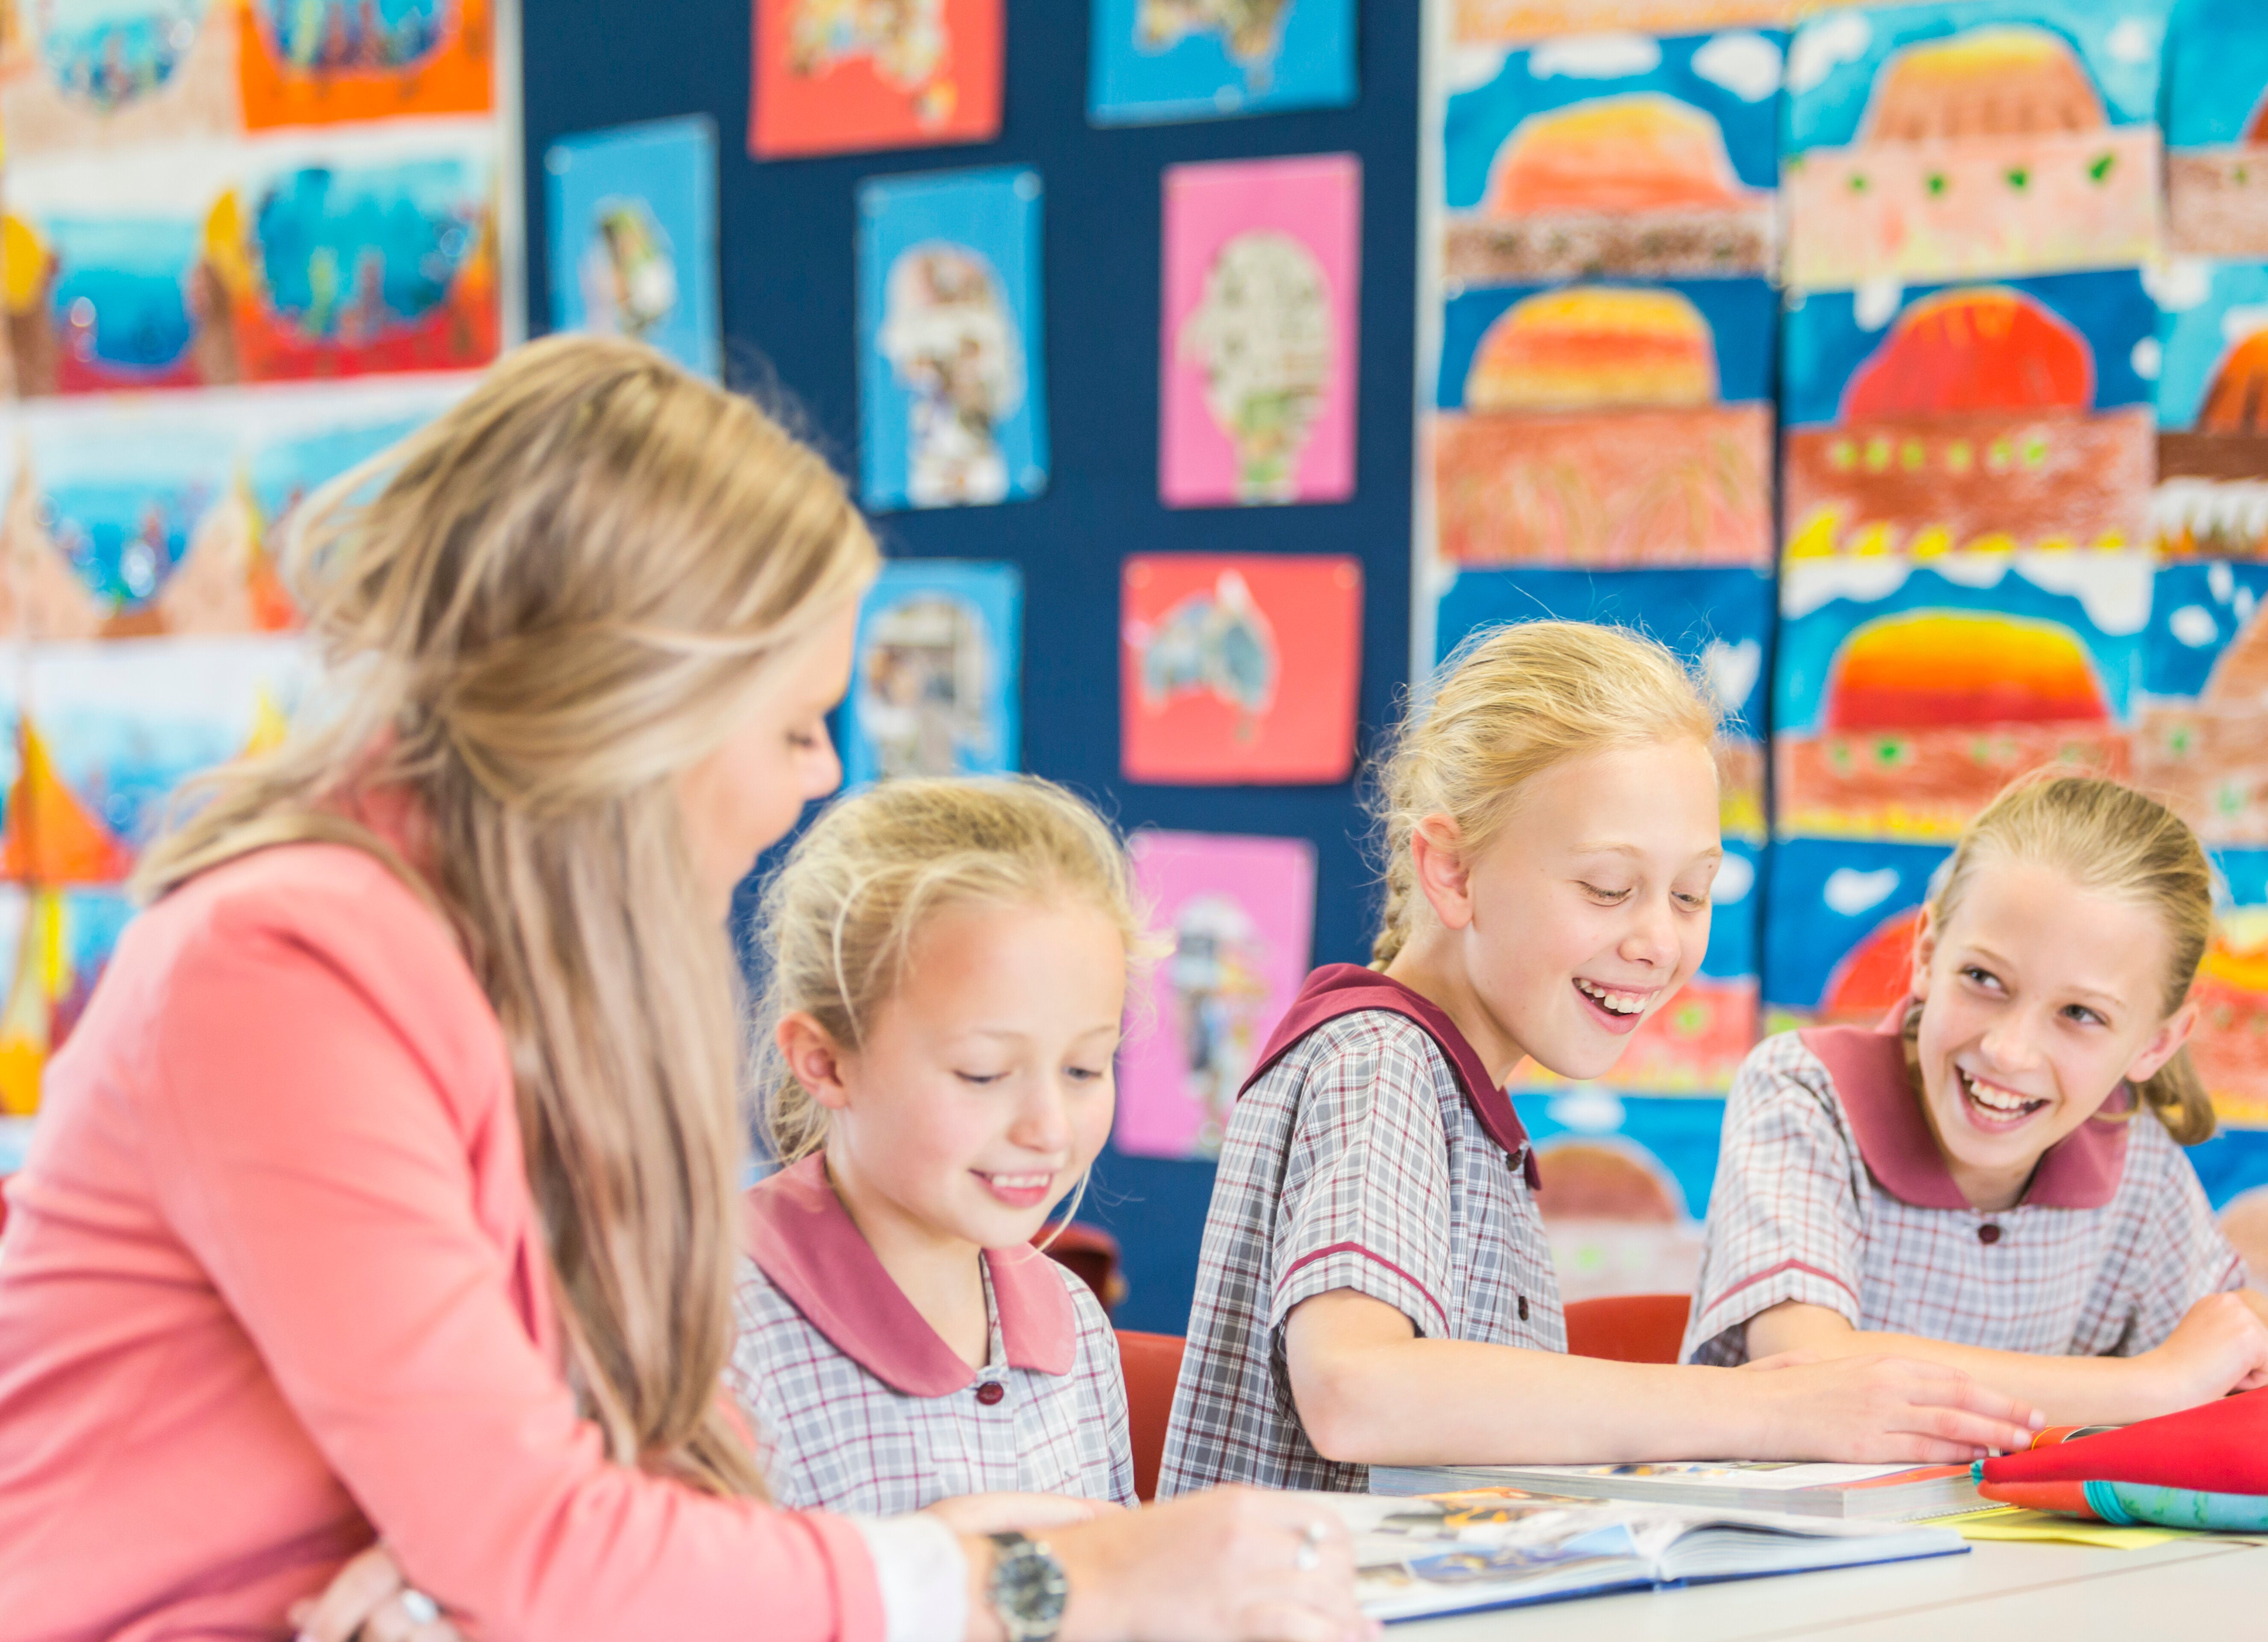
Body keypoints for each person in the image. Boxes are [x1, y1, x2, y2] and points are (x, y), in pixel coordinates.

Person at [0, 336, 1364, 1642]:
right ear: (630, 712)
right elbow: (540, 1548)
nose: (820, 772)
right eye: (789, 723)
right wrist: (1051, 1585)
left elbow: (549, 1516)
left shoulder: (498, 974)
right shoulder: (284, 973)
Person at [1158, 621, 2042, 1497]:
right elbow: (1356, 1390)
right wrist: (1767, 1410)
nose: (1659, 941)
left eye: (1692, 893)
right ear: (1455, 872)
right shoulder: (1381, 1061)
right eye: (1608, 889)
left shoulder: (1444, 1083)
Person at [1681, 774, 2268, 1426]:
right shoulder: (1803, 1094)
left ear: (2156, 1044)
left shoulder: (2131, 1151)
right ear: (1927, 955)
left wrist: (2258, 1350)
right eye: (1984, 979)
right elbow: (1808, 1365)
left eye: (2080, 1013)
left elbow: (2229, 1324)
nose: (2009, 1051)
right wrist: (2156, 1386)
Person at [729, 776, 1140, 1513]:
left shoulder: (1075, 1319)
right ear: (826, 1062)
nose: (1047, 1128)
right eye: (983, 1074)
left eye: (1084, 1068)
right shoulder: (711, 1334)